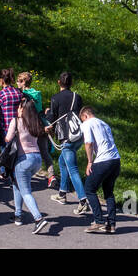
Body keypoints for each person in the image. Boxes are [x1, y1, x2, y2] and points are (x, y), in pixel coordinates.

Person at [3, 97, 50, 234]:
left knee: (26, 192)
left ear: (22, 109)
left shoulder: (16, 121)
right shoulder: (35, 122)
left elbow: (8, 139)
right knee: (17, 184)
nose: (17, 109)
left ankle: (38, 219)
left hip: (23, 160)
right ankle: (18, 215)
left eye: (19, 107)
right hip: (36, 159)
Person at [47, 72, 89, 217]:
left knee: (73, 169)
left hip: (66, 137)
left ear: (59, 82)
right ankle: (62, 193)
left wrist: (47, 115)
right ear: (71, 83)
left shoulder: (55, 98)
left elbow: (52, 118)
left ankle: (83, 201)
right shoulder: (77, 97)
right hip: (78, 135)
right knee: (62, 162)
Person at [80, 106, 120, 234]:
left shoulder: (87, 124)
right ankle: (111, 224)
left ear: (85, 116)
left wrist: (90, 162)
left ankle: (98, 221)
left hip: (103, 160)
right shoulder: (104, 123)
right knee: (108, 192)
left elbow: (89, 143)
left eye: (82, 120)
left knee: (89, 189)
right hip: (115, 160)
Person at [0, 68, 24, 153]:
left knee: (5, 154)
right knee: (16, 152)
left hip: (6, 128)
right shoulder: (19, 92)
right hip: (19, 127)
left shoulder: (0, 94)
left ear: (1, 80)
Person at [17, 71, 51, 169]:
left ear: (23, 82)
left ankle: (22, 172)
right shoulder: (37, 94)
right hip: (40, 123)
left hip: (27, 124)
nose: (17, 83)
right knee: (44, 152)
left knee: (24, 149)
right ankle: (51, 175)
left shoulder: (23, 95)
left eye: (18, 81)